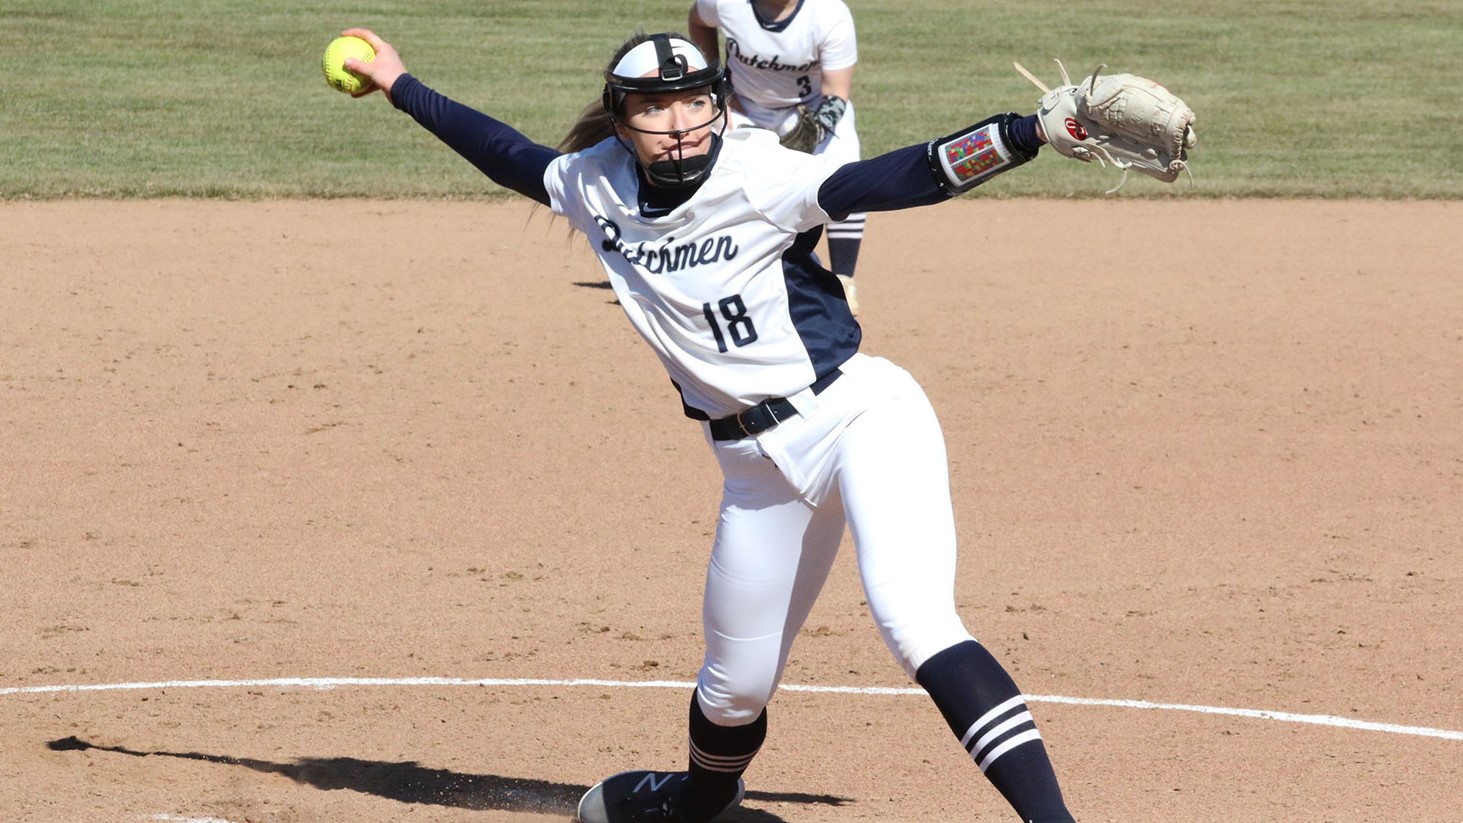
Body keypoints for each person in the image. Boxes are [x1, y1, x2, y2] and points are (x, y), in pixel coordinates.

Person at [340, 26, 1078, 823]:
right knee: (734, 687)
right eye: (657, 108)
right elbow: (499, 150)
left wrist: (1021, 133)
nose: (681, 121)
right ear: (622, 118)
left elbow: (893, 177)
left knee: (914, 618)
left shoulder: (761, 171)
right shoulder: (591, 184)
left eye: (696, 100)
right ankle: (699, 801)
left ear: (719, 105)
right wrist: (398, 82)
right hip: (753, 471)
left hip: (858, 416)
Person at [687, 0, 868, 315]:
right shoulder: (725, 3)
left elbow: (836, 93)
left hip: (809, 110)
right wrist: (716, 85)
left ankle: (843, 278)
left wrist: (810, 133)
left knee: (844, 173)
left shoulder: (829, 15)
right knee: (712, 176)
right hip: (741, 107)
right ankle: (707, 273)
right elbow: (699, 21)